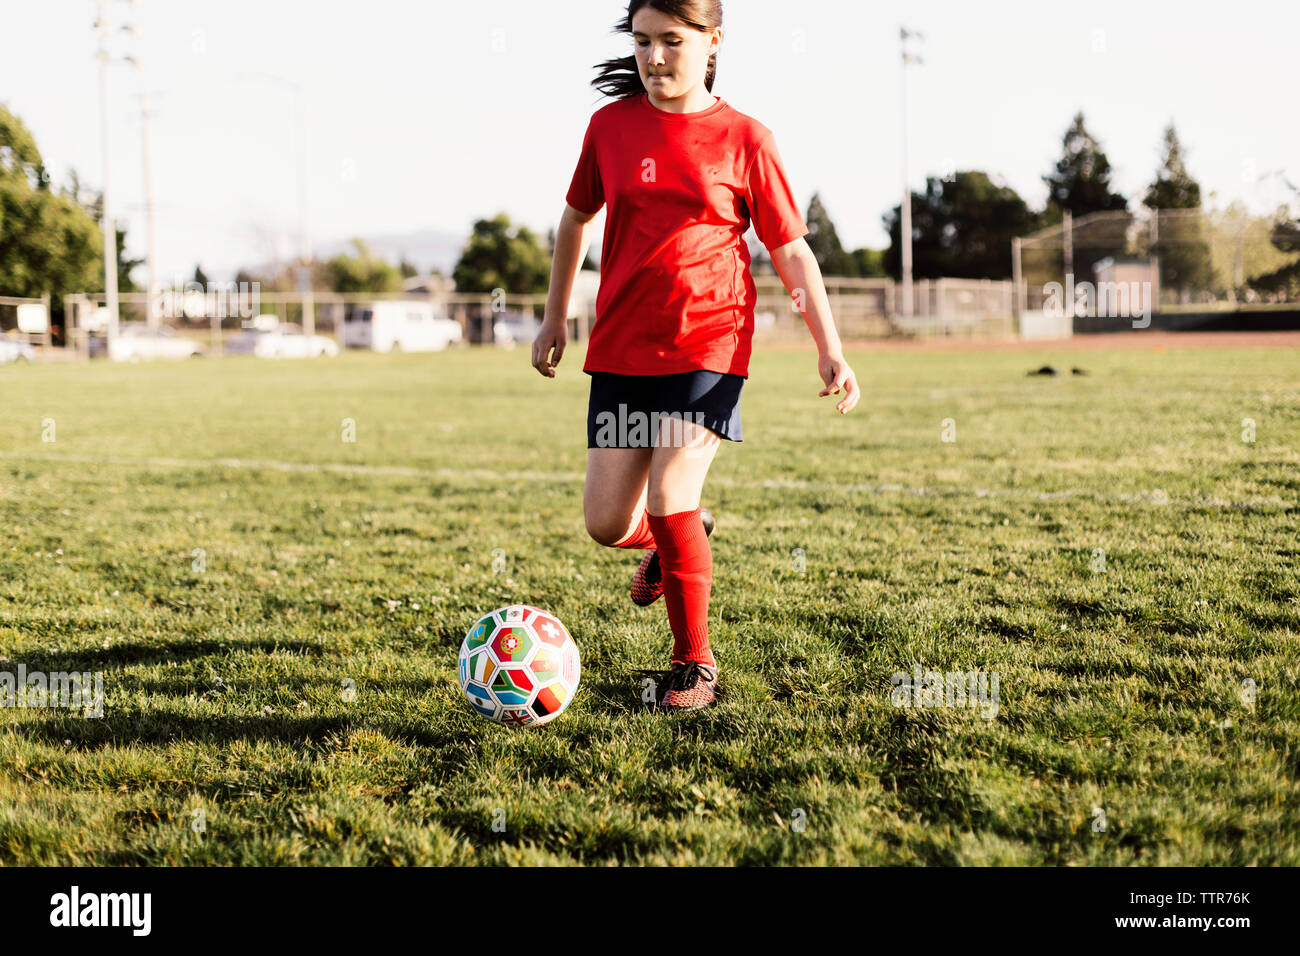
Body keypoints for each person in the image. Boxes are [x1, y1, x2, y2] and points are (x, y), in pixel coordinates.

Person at [531, 0, 860, 711]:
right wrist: (556, 313)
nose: (654, 57)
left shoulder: (746, 138)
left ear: (713, 42)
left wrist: (829, 348)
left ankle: (693, 665)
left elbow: (791, 250)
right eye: (642, 41)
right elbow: (575, 219)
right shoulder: (609, 128)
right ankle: (682, 538)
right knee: (606, 524)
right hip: (620, 346)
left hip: (708, 343)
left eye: (671, 42)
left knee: (671, 494)